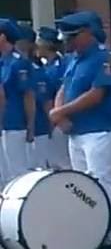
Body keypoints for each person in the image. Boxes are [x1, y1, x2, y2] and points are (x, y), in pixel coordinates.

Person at [51, 10, 111, 249]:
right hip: (77, 131)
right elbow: (63, 88)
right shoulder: (73, 59)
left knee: (103, 184)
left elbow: (96, 94)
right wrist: (58, 113)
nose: (68, 42)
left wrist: (62, 112)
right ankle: (96, 238)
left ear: (88, 33)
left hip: (98, 130)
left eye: (73, 36)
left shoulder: (105, 59)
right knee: (83, 188)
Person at [0, 18, 36, 184]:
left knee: (17, 173)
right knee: (4, 174)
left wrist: (30, 124)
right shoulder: (3, 61)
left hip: (14, 123)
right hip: (3, 124)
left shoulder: (18, 62)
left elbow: (28, 95)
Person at [34, 26, 68, 169]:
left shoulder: (62, 65)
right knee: (52, 162)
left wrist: (55, 120)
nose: (36, 46)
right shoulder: (43, 66)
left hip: (59, 119)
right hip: (45, 119)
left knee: (63, 162)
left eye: (39, 42)